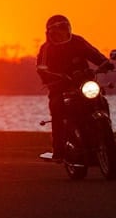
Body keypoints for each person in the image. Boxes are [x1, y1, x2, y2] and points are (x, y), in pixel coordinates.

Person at [36, 14, 110, 161]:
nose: (60, 33)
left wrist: (105, 63)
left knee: (101, 100)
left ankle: (106, 135)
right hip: (60, 86)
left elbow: (93, 53)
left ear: (68, 28)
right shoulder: (46, 48)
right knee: (57, 108)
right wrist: (51, 77)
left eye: (63, 28)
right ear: (49, 32)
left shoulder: (77, 41)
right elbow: (41, 68)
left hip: (83, 82)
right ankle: (59, 151)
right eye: (56, 30)